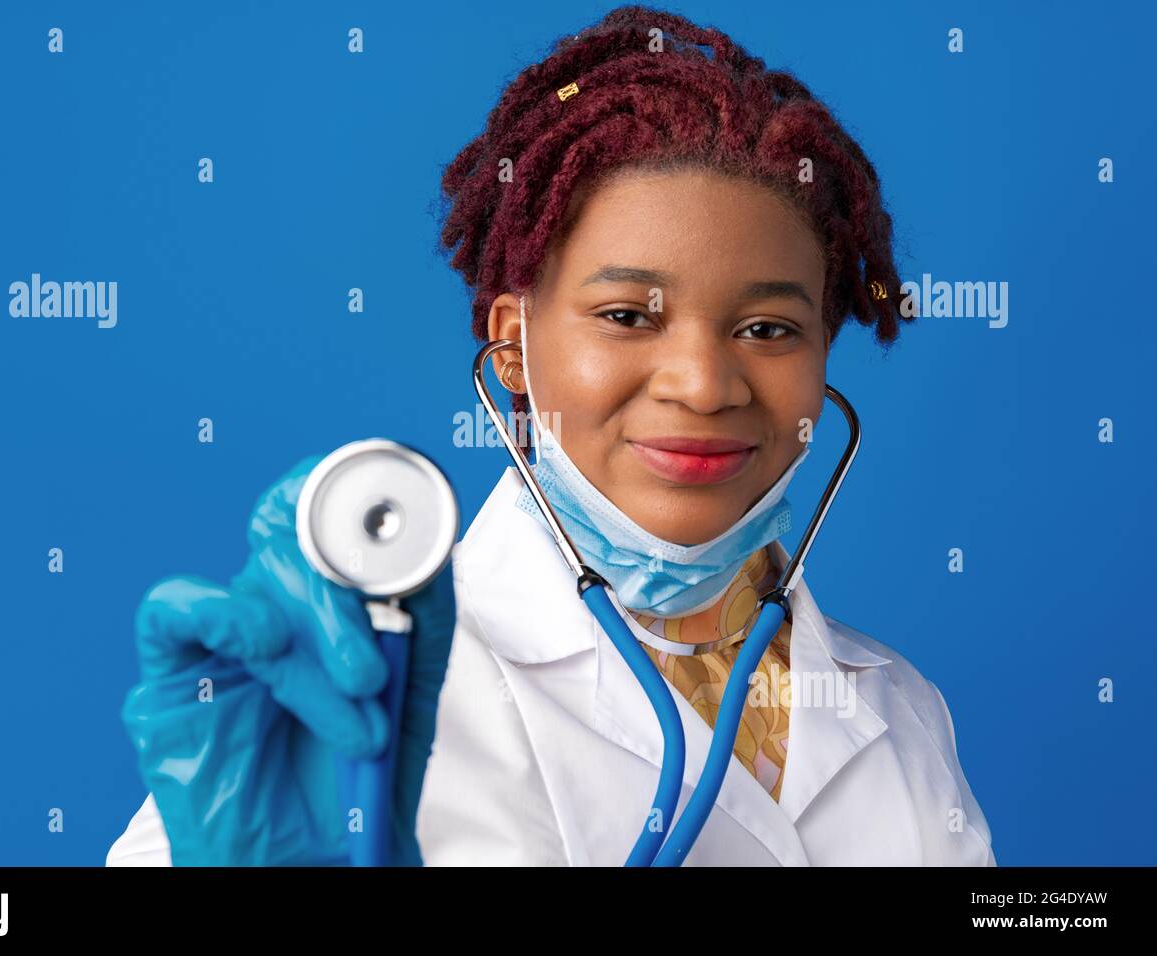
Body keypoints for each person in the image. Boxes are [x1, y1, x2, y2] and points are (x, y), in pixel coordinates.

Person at [107, 6, 994, 867]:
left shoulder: (901, 713)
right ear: (513, 347)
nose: (704, 385)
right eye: (625, 316)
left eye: (767, 329)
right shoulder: (356, 690)